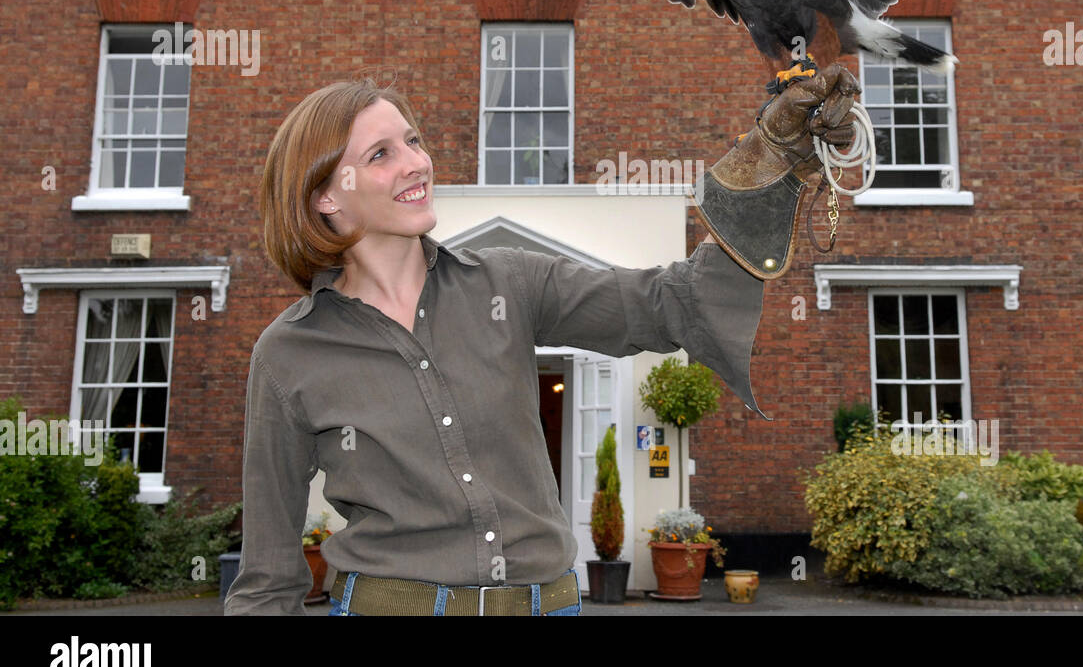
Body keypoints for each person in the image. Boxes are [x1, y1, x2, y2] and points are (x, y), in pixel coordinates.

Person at [224, 66, 859, 616]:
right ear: (327, 199)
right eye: (380, 155)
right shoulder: (289, 354)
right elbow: (268, 577)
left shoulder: (511, 281)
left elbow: (675, 304)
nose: (417, 162)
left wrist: (768, 166)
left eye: (412, 141)